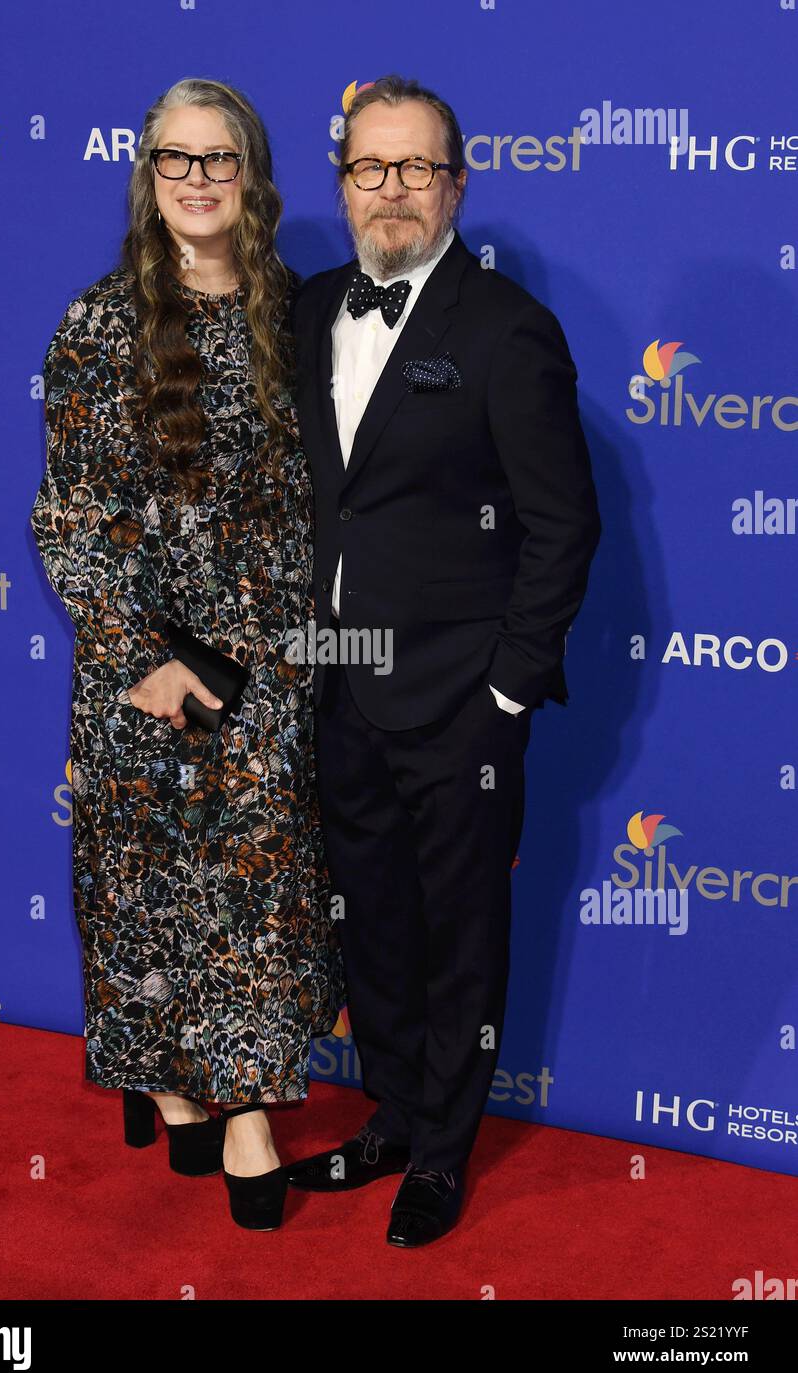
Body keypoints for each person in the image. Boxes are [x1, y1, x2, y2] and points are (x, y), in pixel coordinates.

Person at [286, 75, 601, 1247]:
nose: (393, 189)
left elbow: (564, 524)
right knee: (373, 923)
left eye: (417, 167)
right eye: (371, 167)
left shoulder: (510, 331)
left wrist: (508, 687)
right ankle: (394, 1116)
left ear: (458, 182)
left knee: (461, 929)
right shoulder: (313, 305)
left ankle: (443, 1157)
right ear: (344, 182)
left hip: (464, 700)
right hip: (340, 679)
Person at [29, 77, 343, 1232]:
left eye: (220, 158)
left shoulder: (298, 316)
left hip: (267, 659)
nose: (198, 178)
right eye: (176, 158)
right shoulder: (100, 322)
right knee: (146, 893)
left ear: (253, 176)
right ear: (147, 175)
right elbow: (70, 514)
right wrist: (137, 656)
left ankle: (251, 1108)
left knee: (256, 897)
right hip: (145, 664)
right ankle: (168, 1086)